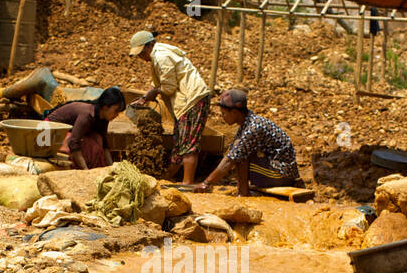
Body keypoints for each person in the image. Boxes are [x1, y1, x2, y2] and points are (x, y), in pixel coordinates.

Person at [127, 30, 211, 185]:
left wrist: (153, 93)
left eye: (141, 52)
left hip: (192, 100)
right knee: (179, 144)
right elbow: (158, 84)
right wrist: (145, 98)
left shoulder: (161, 56)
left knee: (188, 144)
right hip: (184, 103)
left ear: (150, 45)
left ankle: (187, 185)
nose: (141, 57)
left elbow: (168, 87)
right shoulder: (156, 57)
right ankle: (167, 179)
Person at [194, 89, 301, 195]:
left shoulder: (253, 128)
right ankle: (243, 192)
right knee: (239, 152)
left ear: (235, 112)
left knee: (240, 155)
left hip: (282, 175)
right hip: (277, 170)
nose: (222, 117)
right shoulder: (248, 122)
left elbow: (229, 161)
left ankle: (243, 193)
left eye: (223, 113)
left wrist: (206, 183)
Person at [41, 86, 126, 169]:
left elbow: (105, 145)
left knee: (97, 140)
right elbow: (73, 143)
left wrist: (112, 168)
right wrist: (85, 171)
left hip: (67, 132)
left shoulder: (103, 119)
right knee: (89, 146)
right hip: (48, 131)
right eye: (116, 111)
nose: (117, 115)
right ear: (105, 106)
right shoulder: (87, 115)